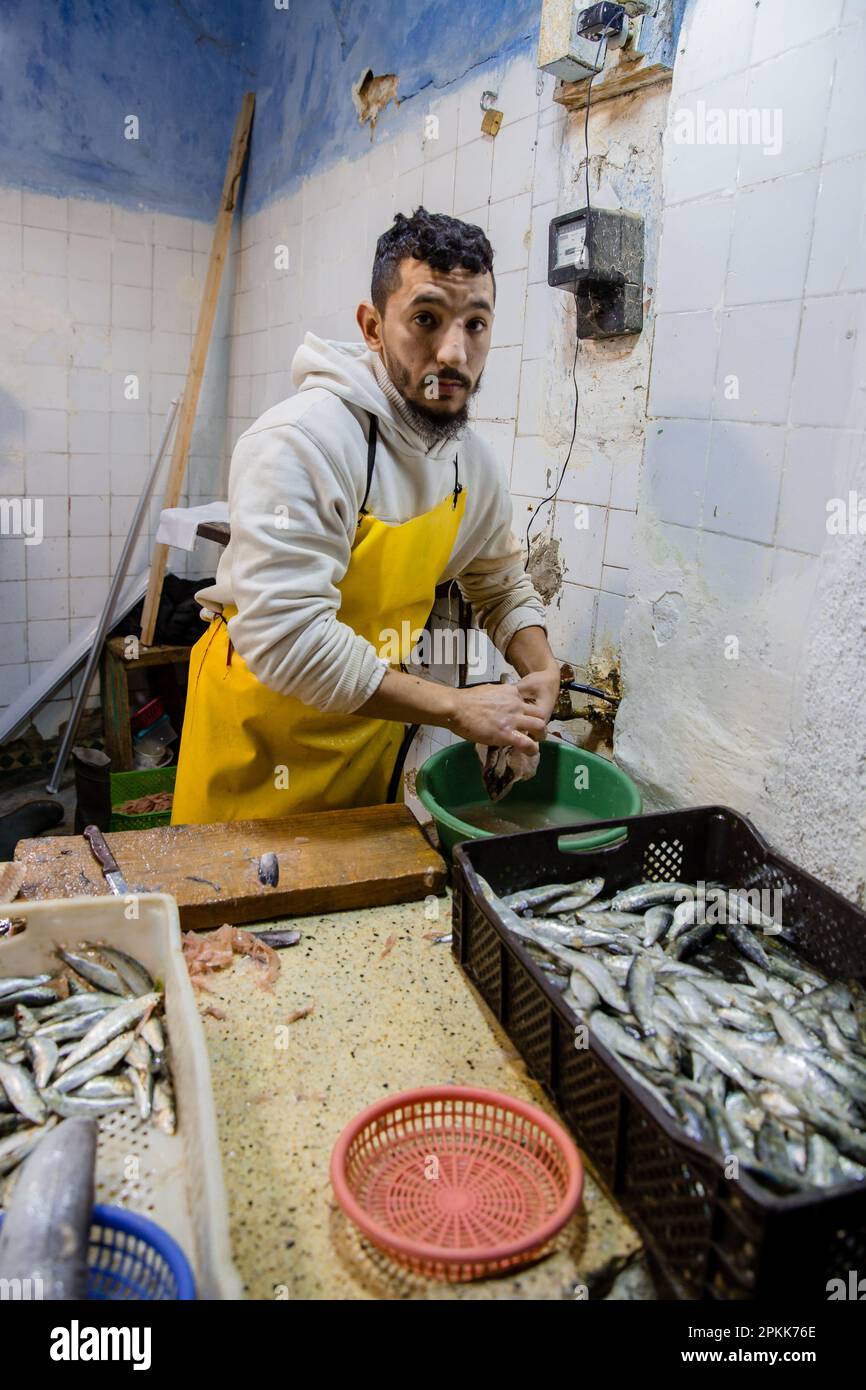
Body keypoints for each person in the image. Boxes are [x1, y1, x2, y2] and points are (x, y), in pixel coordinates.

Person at [171, 207, 561, 824]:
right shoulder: (303, 442)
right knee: (229, 913)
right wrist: (458, 707)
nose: (454, 353)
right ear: (373, 327)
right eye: (426, 320)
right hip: (259, 735)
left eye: (476, 324)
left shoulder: (472, 465)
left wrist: (541, 668)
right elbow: (290, 641)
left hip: (366, 732)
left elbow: (499, 581)